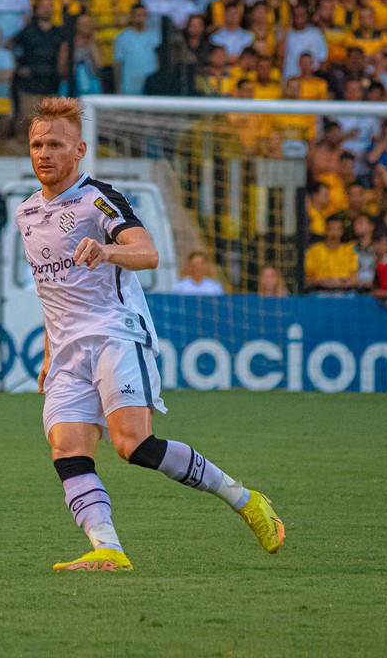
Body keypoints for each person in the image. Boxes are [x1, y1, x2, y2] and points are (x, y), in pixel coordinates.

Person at [16, 97, 283, 572]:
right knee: (67, 447)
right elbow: (49, 288)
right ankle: (108, 549)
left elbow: (149, 253)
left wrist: (106, 250)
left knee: (133, 445)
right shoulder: (27, 214)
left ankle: (244, 499)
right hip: (65, 353)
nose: (44, 153)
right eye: (37, 144)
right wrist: (46, 352)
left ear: (79, 150)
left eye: (55, 144)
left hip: (114, 335)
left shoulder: (98, 198)